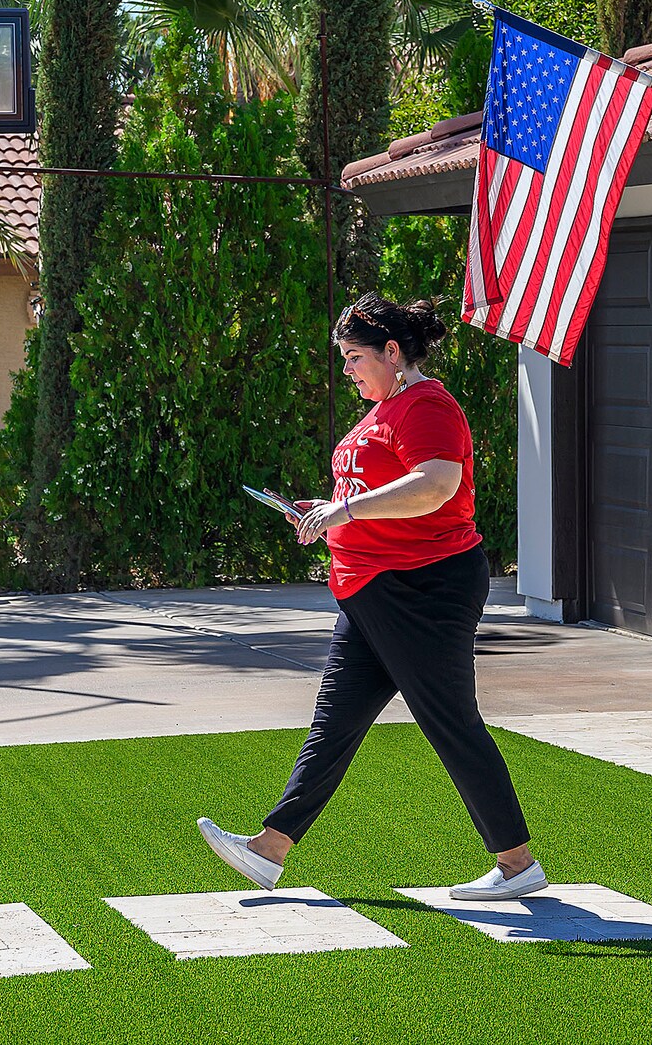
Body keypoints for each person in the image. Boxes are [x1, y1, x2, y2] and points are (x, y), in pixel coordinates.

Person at [197, 294, 545, 902]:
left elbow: (437, 484)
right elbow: (375, 490)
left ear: (391, 351)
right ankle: (269, 850)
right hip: (369, 590)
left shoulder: (426, 404)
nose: (348, 369)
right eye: (344, 358)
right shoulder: (382, 412)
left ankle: (517, 865)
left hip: (423, 586)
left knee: (449, 720)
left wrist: (346, 510)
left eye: (355, 357)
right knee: (335, 722)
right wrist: (328, 510)